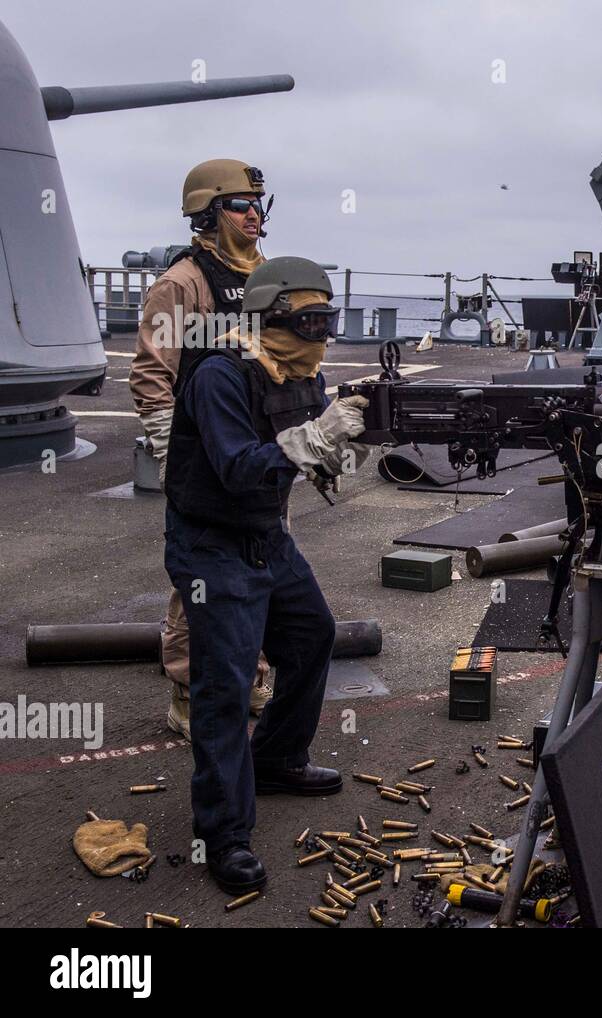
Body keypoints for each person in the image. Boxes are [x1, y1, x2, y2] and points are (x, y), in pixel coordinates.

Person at [162, 256, 369, 893]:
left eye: (327, 321)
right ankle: (222, 834)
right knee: (224, 687)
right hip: (212, 543)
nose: (321, 336)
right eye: (310, 322)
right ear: (267, 319)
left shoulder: (300, 372)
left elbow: (306, 447)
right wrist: (312, 442)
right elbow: (236, 468)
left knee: (310, 636)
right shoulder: (220, 374)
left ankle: (276, 759)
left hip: (265, 535)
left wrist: (340, 447)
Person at [129, 159, 276, 739]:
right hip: (203, 455)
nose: (254, 215)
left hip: (257, 453)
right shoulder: (183, 284)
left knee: (260, 566)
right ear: (210, 213)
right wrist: (173, 453)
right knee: (200, 576)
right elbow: (151, 375)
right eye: (241, 205)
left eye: (258, 205)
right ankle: (190, 691)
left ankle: (250, 673)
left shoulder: (267, 276)